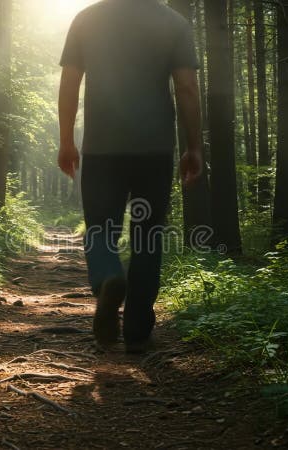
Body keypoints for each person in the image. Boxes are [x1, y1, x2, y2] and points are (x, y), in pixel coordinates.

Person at [57, 0, 204, 353]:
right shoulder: (173, 22)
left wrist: (66, 141)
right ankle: (137, 332)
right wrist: (194, 146)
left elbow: (70, 82)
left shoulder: (86, 19)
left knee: (100, 228)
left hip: (101, 147)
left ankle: (108, 277)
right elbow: (186, 86)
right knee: (148, 235)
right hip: (155, 149)